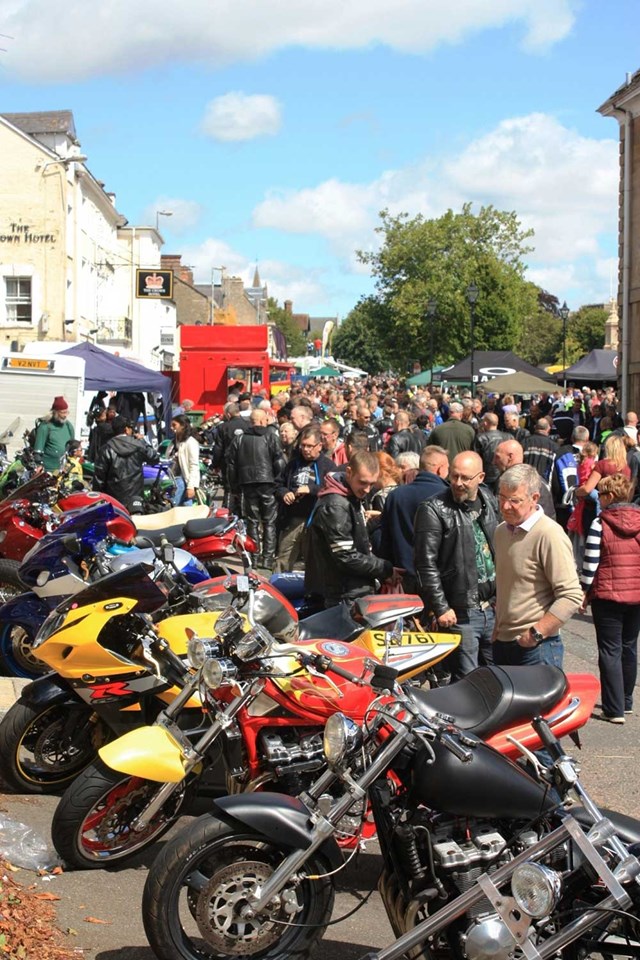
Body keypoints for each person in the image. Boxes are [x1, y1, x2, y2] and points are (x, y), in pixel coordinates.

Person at [414, 451, 499, 680]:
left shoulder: (489, 500)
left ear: (480, 477)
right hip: (461, 611)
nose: (458, 483)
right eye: (454, 476)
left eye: (465, 478)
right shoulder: (433, 508)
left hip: (492, 606)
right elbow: (425, 564)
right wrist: (441, 607)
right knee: (467, 680)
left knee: (496, 676)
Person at [493, 464, 582, 667]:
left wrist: (536, 633)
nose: (505, 506)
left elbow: (571, 596)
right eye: (502, 498)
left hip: (537, 649)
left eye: (514, 500)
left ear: (534, 498)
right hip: (503, 643)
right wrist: (498, 625)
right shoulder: (501, 532)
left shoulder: (549, 534)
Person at [580, 473, 640, 723]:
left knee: (609, 650)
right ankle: (626, 701)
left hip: (607, 595)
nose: (599, 498)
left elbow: (590, 563)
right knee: (629, 647)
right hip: (636, 595)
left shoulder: (600, 523)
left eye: (601, 494)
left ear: (611, 496)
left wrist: (583, 591)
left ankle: (614, 708)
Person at [305, 450, 399, 607]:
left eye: (372, 484)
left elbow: (359, 547)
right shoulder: (336, 505)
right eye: (363, 482)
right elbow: (346, 556)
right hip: (343, 594)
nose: (367, 490)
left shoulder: (350, 497)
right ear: (349, 472)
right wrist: (384, 568)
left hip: (351, 590)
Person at [377, 445, 449, 592]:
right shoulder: (446, 496)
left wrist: (387, 572)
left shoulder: (395, 496)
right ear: (440, 469)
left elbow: (385, 540)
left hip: (404, 577)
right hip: (439, 579)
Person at [227, 408, 285, 570]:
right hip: (268, 482)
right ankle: (267, 558)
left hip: (247, 483)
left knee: (252, 521)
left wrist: (234, 487)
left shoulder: (239, 439)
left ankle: (254, 555)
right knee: (269, 521)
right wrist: (279, 482)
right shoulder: (271, 437)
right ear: (262, 421)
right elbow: (279, 461)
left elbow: (231, 465)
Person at [275, 424, 334, 572]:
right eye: (303, 445)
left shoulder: (328, 466)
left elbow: (333, 490)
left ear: (319, 446)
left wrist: (312, 489)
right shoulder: (293, 464)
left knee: (314, 561)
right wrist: (285, 493)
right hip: (293, 519)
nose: (306, 450)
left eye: (309, 446)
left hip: (316, 520)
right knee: (283, 558)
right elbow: (278, 484)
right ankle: (278, 582)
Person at [93, 415, 159, 513]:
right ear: (126, 429)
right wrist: (144, 441)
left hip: (113, 500)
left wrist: (99, 500)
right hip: (135, 499)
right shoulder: (139, 445)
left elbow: (99, 479)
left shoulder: (106, 449)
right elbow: (154, 458)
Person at [493, 439, 556, 520]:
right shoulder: (502, 479)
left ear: (510, 457)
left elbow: (546, 516)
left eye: (497, 457)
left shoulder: (534, 484)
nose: (494, 462)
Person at [33, 397, 75, 473]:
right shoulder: (45, 426)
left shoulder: (68, 426)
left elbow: (73, 446)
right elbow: (37, 451)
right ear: (55, 412)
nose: (65, 415)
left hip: (64, 469)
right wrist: (39, 465)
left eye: (66, 412)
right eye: (62, 412)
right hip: (49, 469)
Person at [168, 414, 200, 506]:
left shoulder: (191, 442)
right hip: (172, 481)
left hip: (183, 482)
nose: (171, 428)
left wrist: (191, 487)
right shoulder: (173, 442)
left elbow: (194, 466)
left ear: (183, 425)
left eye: (174, 425)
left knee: (176, 507)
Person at [473, 412, 509, 491]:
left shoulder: (480, 438)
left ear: (485, 423)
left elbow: (476, 458)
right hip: (504, 475)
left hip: (487, 477)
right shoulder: (508, 437)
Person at [521, 417, 558, 485]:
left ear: (535, 427)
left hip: (525, 481)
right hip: (543, 484)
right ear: (548, 429)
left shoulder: (525, 442)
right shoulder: (553, 446)